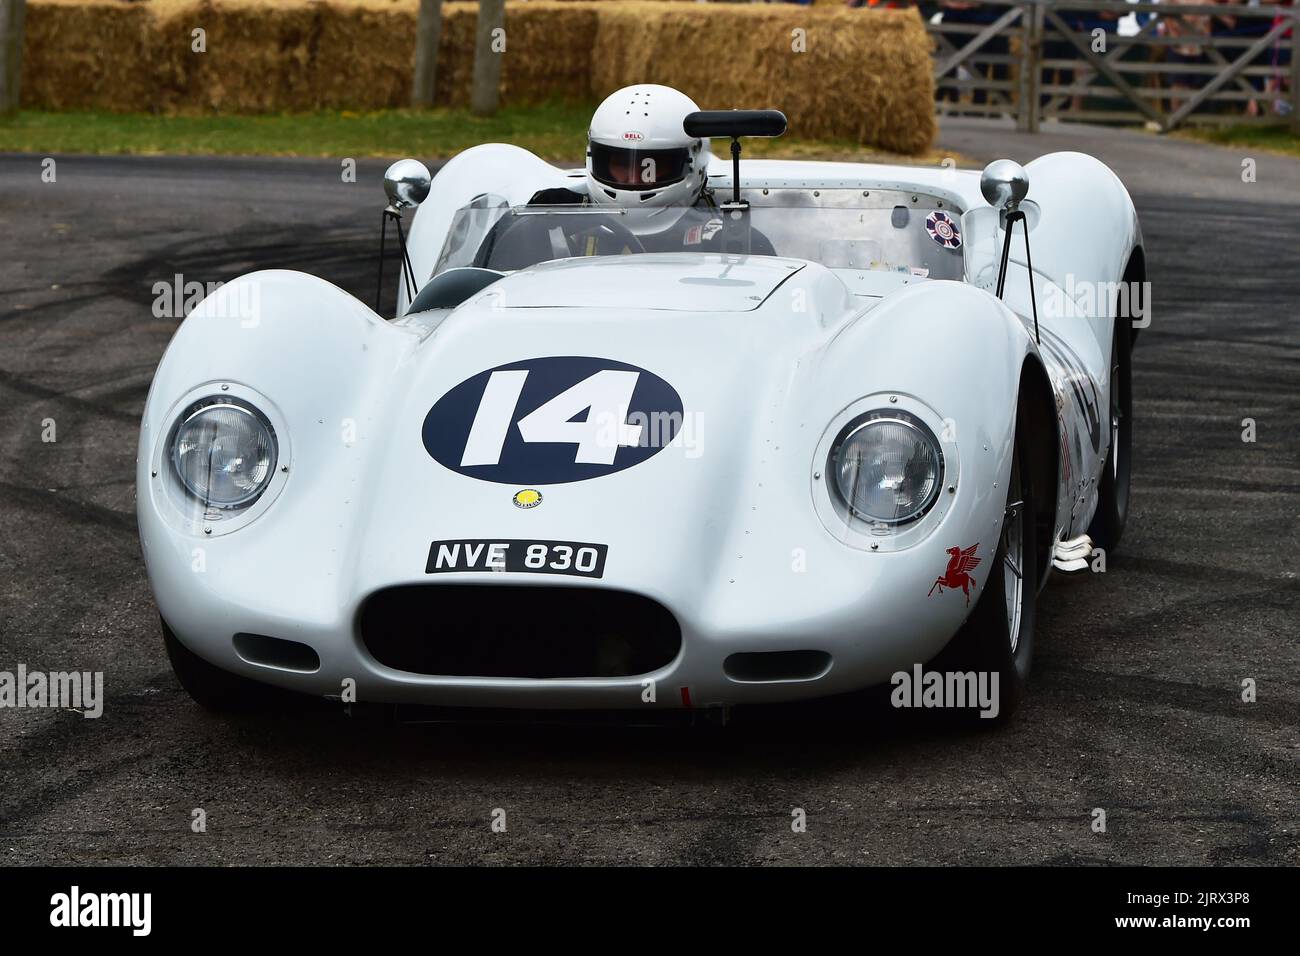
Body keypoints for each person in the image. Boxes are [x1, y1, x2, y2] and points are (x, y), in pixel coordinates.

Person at [477, 84, 776, 269]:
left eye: (650, 166)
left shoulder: (731, 242)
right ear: (594, 157)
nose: (635, 177)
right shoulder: (554, 225)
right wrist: (533, 223)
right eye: (620, 163)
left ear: (692, 162)